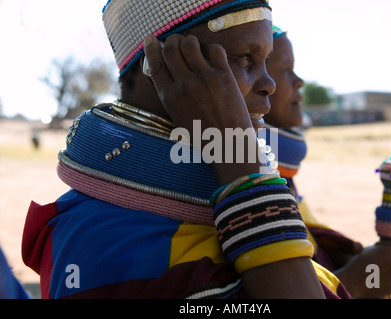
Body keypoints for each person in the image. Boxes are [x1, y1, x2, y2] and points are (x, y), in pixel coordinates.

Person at [22, 0, 351, 299]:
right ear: (163, 65)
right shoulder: (116, 241)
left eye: (265, 61)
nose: (269, 84)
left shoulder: (195, 211)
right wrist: (235, 150)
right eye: (245, 58)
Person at [262, 26, 391, 298]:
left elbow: (310, 256)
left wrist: (377, 266)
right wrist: (354, 283)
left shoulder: (281, 178)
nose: (299, 81)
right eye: (286, 69)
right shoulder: (227, 183)